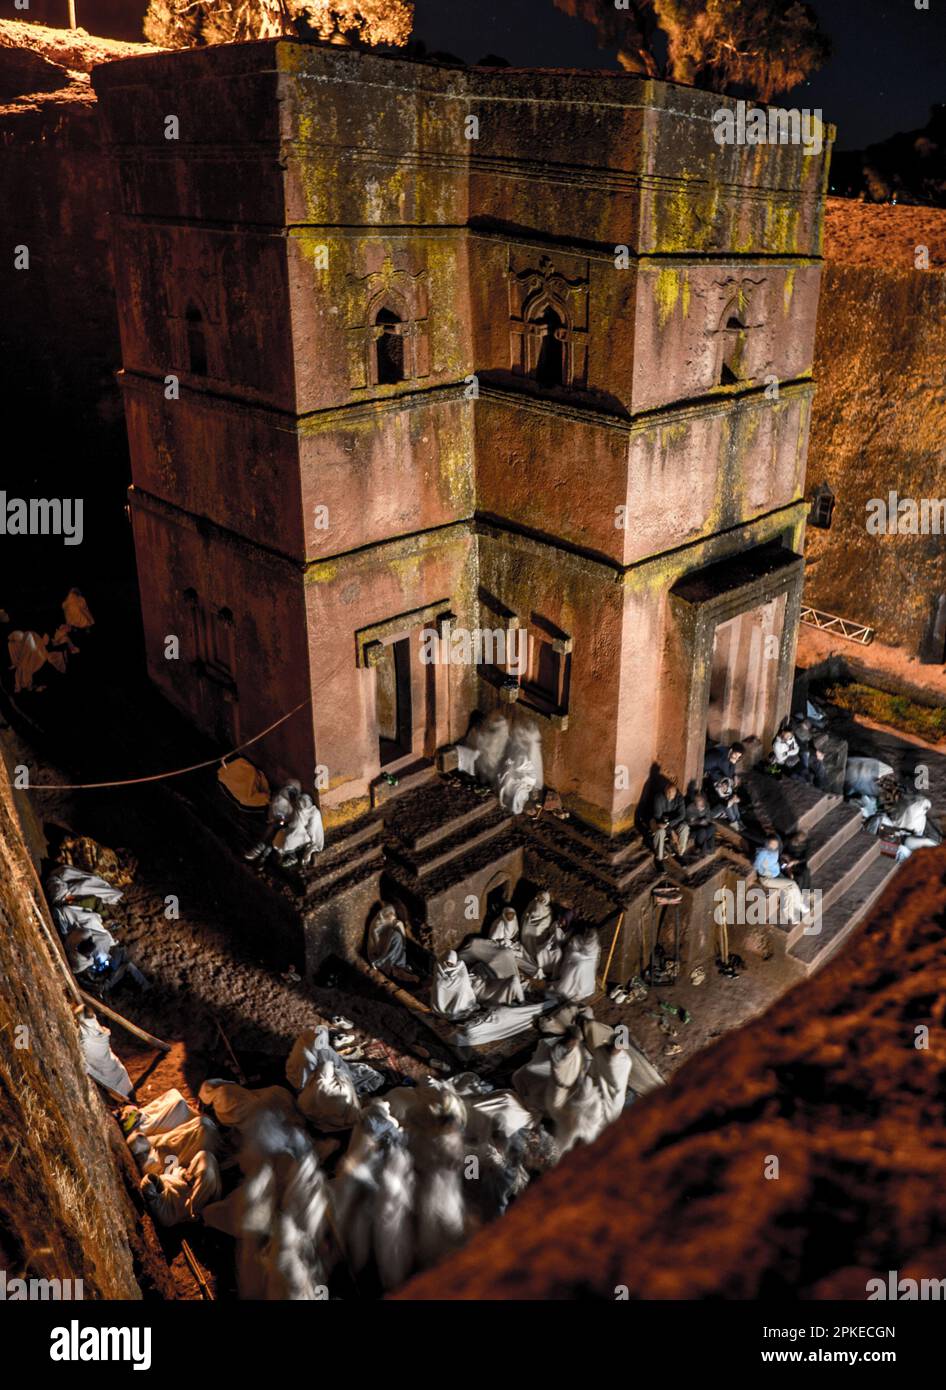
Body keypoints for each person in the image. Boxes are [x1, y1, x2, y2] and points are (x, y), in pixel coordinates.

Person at [75, 1006, 133, 1097]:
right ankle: (127, 1093)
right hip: (116, 1069)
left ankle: (126, 1095)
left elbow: (93, 1059)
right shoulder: (92, 1025)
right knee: (114, 1071)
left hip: (111, 1069)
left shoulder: (89, 1031)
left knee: (112, 1071)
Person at [244, 779, 302, 864]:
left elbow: (294, 818)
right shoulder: (281, 798)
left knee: (276, 833)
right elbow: (274, 810)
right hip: (278, 821)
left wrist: (285, 821)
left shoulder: (297, 804)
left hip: (288, 826)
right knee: (273, 828)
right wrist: (278, 819)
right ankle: (261, 849)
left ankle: (263, 850)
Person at [751, 836, 805, 925]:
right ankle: (799, 903)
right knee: (792, 884)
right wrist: (764, 868)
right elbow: (756, 866)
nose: (774, 846)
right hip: (767, 878)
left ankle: (789, 915)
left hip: (776, 875)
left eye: (776, 844)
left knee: (788, 892)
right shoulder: (763, 853)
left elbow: (776, 861)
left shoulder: (775, 851)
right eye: (772, 844)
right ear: (767, 844)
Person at [703, 742, 746, 830]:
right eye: (735, 756)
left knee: (731, 794)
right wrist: (733, 764)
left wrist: (734, 775)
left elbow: (730, 774)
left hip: (717, 774)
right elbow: (728, 773)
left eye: (738, 757)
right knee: (727, 797)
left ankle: (737, 819)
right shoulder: (722, 757)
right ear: (731, 750)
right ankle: (733, 820)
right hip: (708, 775)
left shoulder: (728, 753)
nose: (736, 758)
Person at [365, 903, 411, 978]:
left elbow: (392, 922)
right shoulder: (384, 914)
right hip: (379, 944)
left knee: (397, 932)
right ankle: (385, 962)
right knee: (396, 936)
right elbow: (377, 930)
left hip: (385, 936)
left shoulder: (392, 914)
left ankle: (398, 963)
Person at [556, 926, 600, 1002]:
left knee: (581, 966)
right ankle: (571, 987)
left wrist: (579, 957)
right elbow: (570, 951)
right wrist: (577, 955)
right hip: (575, 962)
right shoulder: (577, 939)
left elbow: (593, 959)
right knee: (578, 966)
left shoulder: (595, 946)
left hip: (585, 965)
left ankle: (580, 988)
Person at [431, 950, 478, 1019]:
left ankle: (455, 1009)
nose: (449, 965)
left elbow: (463, 981)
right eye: (447, 962)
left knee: (461, 989)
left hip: (460, 995)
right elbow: (438, 982)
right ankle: (442, 1007)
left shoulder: (461, 967)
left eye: (451, 963)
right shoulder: (438, 966)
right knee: (439, 987)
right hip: (442, 994)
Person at [651, 780, 689, 862]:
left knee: (684, 828)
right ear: (665, 790)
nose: (669, 796)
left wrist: (669, 825)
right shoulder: (659, 797)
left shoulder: (679, 798)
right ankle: (659, 858)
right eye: (668, 793)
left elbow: (682, 815)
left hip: (671, 822)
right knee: (660, 832)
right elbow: (658, 817)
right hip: (659, 821)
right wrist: (671, 830)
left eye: (671, 794)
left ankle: (680, 852)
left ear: (675, 793)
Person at [685, 790, 716, 857]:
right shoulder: (690, 808)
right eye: (698, 806)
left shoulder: (706, 805)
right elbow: (689, 822)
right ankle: (703, 849)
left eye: (702, 806)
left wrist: (705, 820)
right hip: (693, 828)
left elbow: (708, 816)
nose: (700, 807)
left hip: (703, 824)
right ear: (695, 803)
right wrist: (699, 821)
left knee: (712, 827)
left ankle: (708, 848)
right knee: (702, 831)